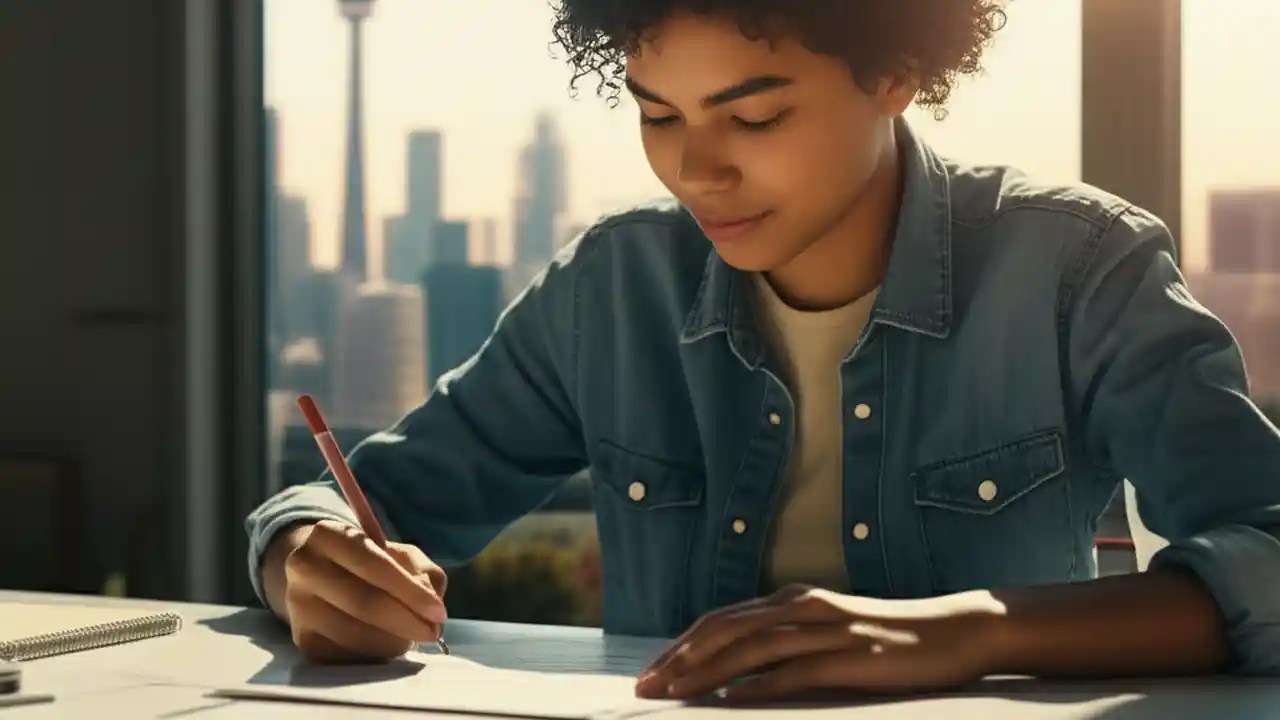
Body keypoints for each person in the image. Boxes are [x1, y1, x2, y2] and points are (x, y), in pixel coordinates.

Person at [247, 0, 1280, 702]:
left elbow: (1268, 549)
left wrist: (975, 629)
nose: (696, 170)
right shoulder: (614, 288)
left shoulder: (1076, 268)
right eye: (658, 114)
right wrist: (308, 560)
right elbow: (355, 502)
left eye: (754, 115)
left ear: (896, 73)